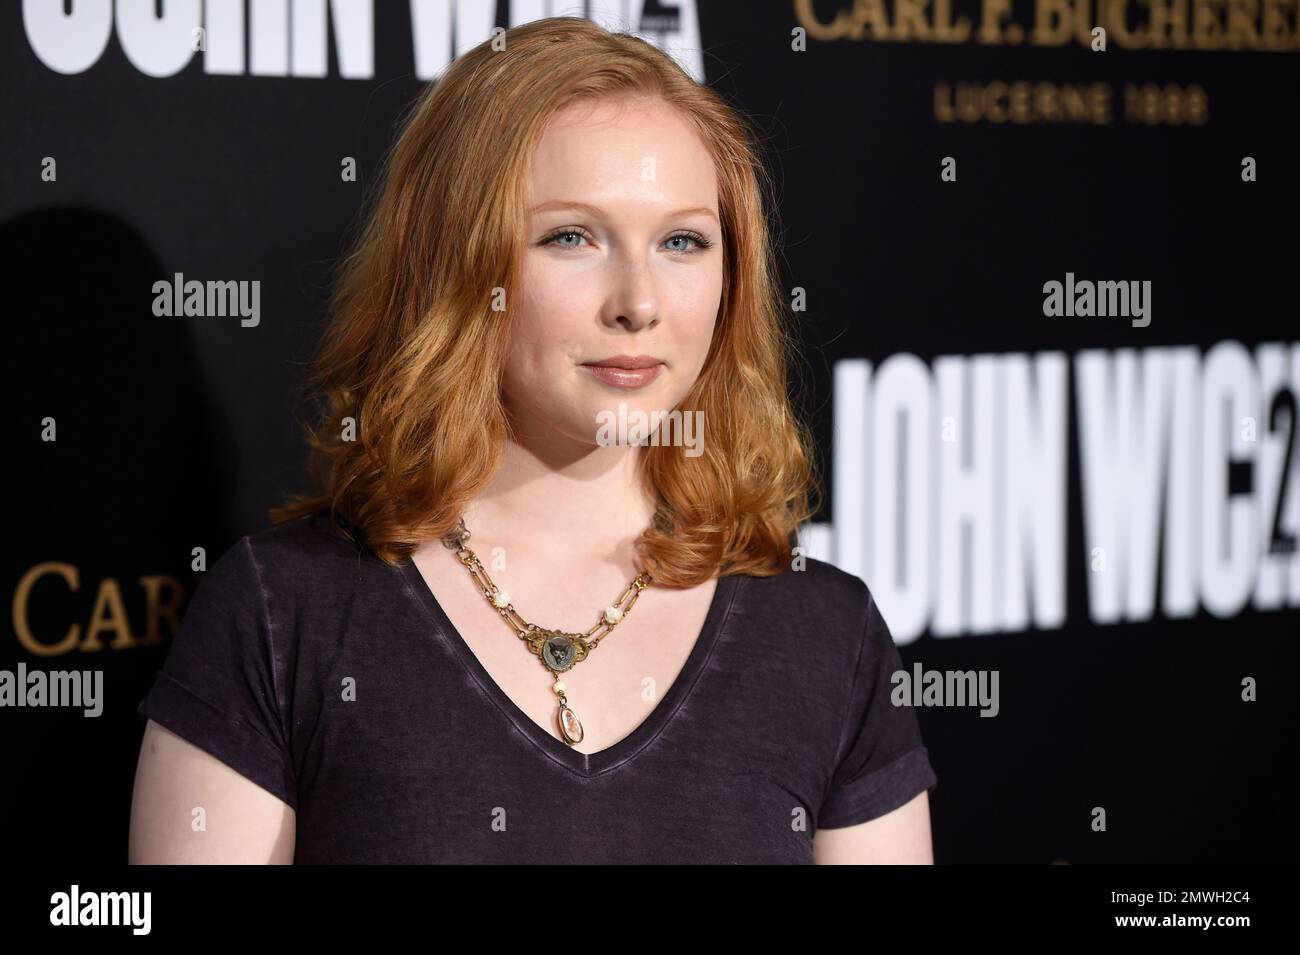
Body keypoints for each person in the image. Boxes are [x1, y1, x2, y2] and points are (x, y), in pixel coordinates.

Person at [128, 15, 937, 864]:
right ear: (456, 264)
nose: (639, 300)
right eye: (571, 237)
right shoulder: (282, 613)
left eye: (682, 241)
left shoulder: (825, 635)